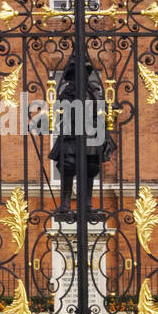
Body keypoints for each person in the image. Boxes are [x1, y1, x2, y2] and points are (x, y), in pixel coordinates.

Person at [49, 48, 116, 217]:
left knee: (90, 167)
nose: (81, 77)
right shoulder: (67, 91)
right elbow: (59, 110)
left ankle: (86, 204)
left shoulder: (93, 89)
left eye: (83, 73)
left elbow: (104, 107)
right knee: (67, 166)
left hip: (91, 133)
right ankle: (65, 205)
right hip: (72, 133)